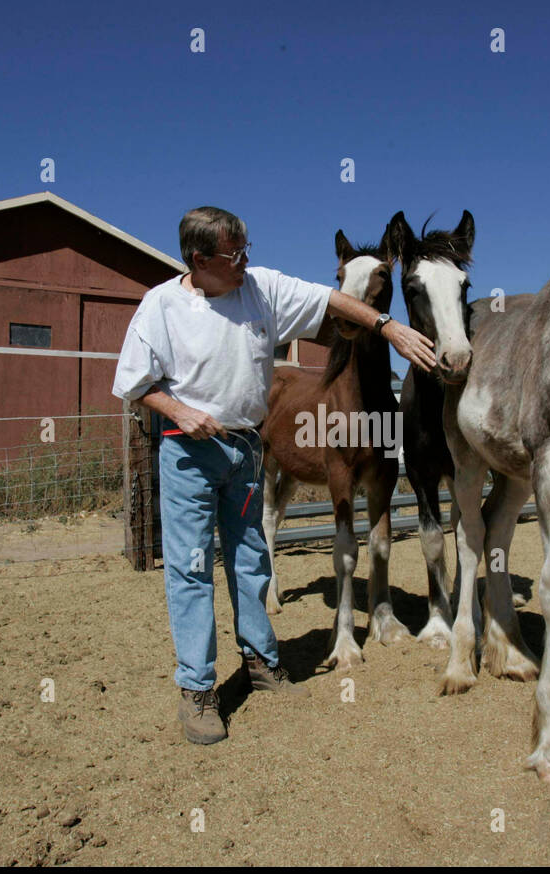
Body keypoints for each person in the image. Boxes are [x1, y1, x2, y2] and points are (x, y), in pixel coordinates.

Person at [112, 206, 436, 744]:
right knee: (192, 570)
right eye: (234, 253)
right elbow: (133, 382)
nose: (245, 260)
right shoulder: (159, 306)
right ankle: (197, 691)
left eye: (246, 249)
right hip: (189, 451)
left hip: (244, 448)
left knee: (251, 560)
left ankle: (262, 662)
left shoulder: (260, 288)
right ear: (199, 259)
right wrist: (178, 411)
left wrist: (388, 326)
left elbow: (330, 299)